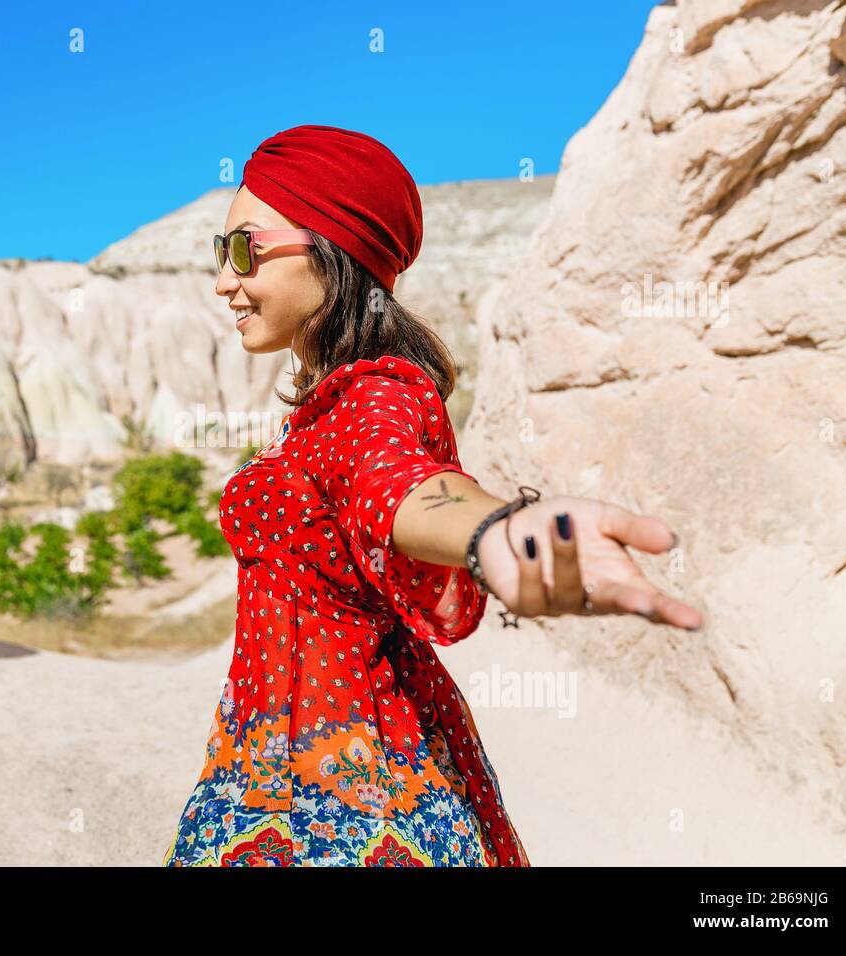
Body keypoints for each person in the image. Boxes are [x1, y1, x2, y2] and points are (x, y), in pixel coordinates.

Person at [162, 125, 703, 867]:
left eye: (246, 250)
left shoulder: (373, 399)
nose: (225, 279)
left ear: (330, 247)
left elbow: (404, 489)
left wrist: (500, 534)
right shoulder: (326, 409)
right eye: (219, 253)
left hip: (346, 802)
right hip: (273, 769)